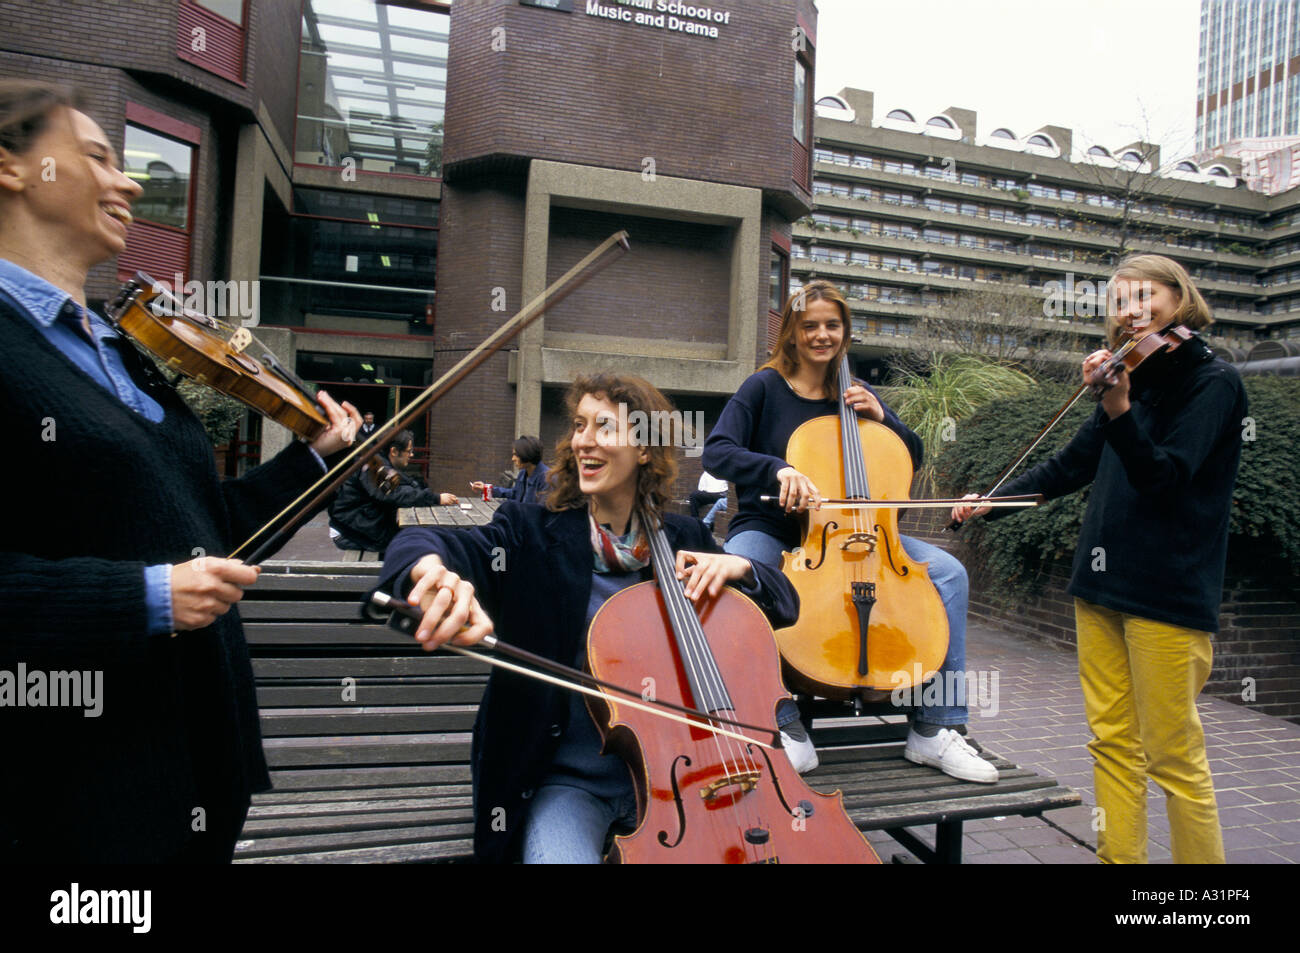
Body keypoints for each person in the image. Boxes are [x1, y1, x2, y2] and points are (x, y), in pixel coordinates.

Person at [0, 80, 363, 862]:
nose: (128, 180)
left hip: (195, 771)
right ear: (12, 168)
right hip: (73, 798)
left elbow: (201, 534)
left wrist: (314, 460)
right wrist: (146, 595)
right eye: (96, 156)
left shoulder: (118, 345)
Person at [379, 373, 798, 863]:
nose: (584, 440)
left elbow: (785, 605)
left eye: (605, 426)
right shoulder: (529, 531)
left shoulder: (686, 539)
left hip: (692, 780)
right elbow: (430, 544)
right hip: (571, 785)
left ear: (644, 449)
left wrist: (744, 568)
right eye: (579, 425)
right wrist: (430, 571)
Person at [952, 255, 1242, 864]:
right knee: (1112, 742)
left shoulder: (1211, 383)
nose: (1132, 309)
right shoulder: (1129, 378)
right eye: (1120, 301)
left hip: (1168, 593)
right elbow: (1068, 467)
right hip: (1101, 588)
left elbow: (1164, 479)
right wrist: (990, 504)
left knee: (1173, 755)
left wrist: (1119, 408)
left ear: (1178, 297)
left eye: (1145, 295)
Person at [702, 280, 996, 782]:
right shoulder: (764, 387)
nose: (821, 335)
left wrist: (886, 420)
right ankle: (782, 724)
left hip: (855, 532)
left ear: (845, 331)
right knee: (738, 579)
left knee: (949, 574)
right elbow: (718, 451)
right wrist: (777, 469)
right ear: (792, 333)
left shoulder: (857, 393)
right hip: (774, 527)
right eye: (809, 325)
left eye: (831, 325)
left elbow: (911, 455)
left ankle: (936, 729)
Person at [329, 429, 458, 554]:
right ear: (394, 451)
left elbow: (405, 485)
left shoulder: (380, 462)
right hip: (349, 531)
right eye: (409, 451)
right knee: (412, 546)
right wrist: (436, 498)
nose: (412, 454)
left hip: (361, 524)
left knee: (413, 541)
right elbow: (394, 493)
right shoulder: (373, 466)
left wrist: (427, 495)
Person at [471, 434, 550, 504]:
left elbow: (540, 512)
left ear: (528, 454)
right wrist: (487, 489)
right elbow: (514, 494)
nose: (513, 459)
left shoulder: (547, 478)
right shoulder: (523, 473)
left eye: (516, 455)